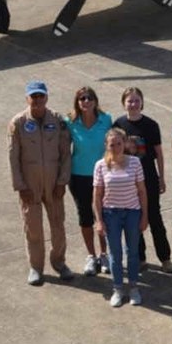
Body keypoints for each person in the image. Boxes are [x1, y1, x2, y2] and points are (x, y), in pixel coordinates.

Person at [8, 79, 74, 286]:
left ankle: (59, 262)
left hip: (54, 183)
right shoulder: (17, 123)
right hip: (30, 184)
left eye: (40, 96)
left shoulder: (57, 120)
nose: (37, 100)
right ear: (27, 98)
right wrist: (20, 186)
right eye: (33, 96)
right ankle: (36, 268)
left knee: (58, 226)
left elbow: (65, 154)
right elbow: (13, 157)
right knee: (33, 228)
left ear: (46, 97)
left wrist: (62, 181)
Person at [112, 87, 171, 273]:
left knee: (154, 218)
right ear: (124, 103)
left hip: (149, 179)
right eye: (130, 101)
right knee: (133, 220)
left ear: (142, 103)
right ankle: (140, 258)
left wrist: (161, 177)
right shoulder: (118, 125)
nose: (133, 104)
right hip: (128, 180)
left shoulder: (151, 125)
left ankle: (165, 258)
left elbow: (159, 154)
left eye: (137, 100)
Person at [94, 127, 149, 307]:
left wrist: (144, 216)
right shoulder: (100, 165)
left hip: (132, 213)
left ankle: (133, 288)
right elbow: (97, 195)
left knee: (132, 252)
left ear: (124, 143)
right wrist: (99, 220)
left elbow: (142, 191)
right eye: (112, 144)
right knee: (115, 254)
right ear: (106, 145)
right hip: (111, 214)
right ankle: (118, 288)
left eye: (119, 143)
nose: (116, 147)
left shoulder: (134, 163)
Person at [67, 85, 112, 276]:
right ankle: (91, 256)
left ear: (95, 101)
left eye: (89, 98)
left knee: (102, 217)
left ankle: (104, 255)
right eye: (82, 98)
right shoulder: (70, 122)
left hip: (102, 177)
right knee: (85, 217)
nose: (86, 101)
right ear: (77, 103)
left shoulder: (106, 120)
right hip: (78, 177)